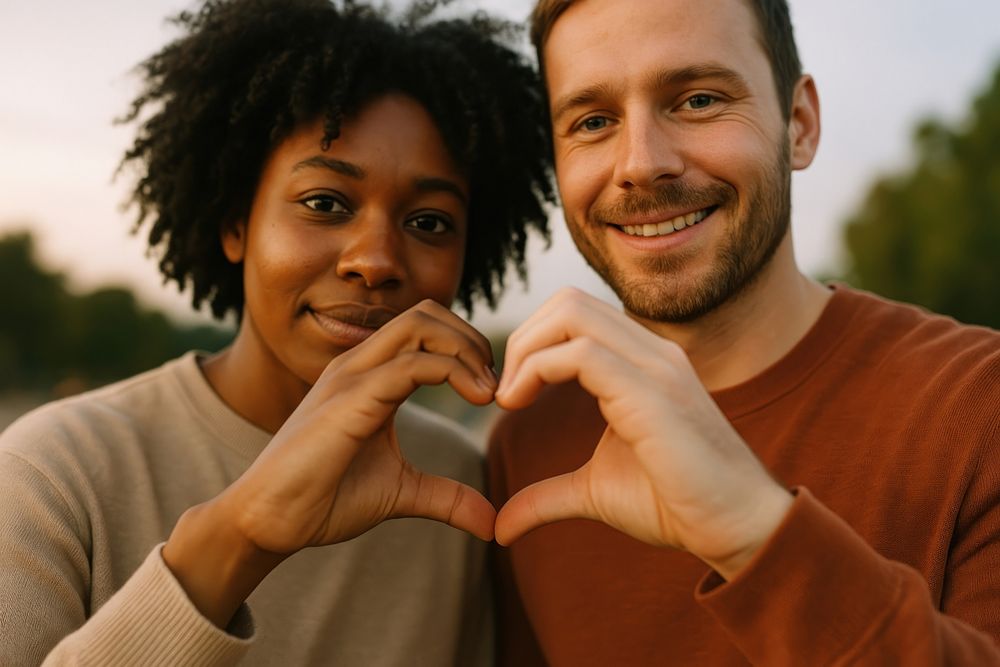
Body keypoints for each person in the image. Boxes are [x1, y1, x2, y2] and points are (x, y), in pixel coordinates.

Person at [0, 0, 555, 663]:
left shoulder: (457, 485)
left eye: (430, 222)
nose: (375, 260)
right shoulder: (55, 475)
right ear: (236, 223)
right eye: (325, 203)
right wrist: (239, 539)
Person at [487, 0, 1000, 664]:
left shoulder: (977, 408)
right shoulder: (529, 442)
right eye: (592, 121)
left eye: (697, 99)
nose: (641, 163)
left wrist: (754, 533)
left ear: (799, 122)